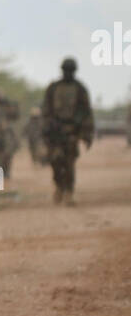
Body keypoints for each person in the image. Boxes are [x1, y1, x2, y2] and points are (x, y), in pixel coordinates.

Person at [41, 57, 94, 205]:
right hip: (55, 133)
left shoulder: (80, 89)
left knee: (69, 164)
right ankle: (59, 186)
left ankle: (69, 192)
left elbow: (86, 112)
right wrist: (47, 126)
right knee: (55, 162)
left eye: (70, 71)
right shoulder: (53, 88)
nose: (68, 73)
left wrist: (86, 134)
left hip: (72, 133)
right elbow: (46, 109)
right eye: (66, 70)